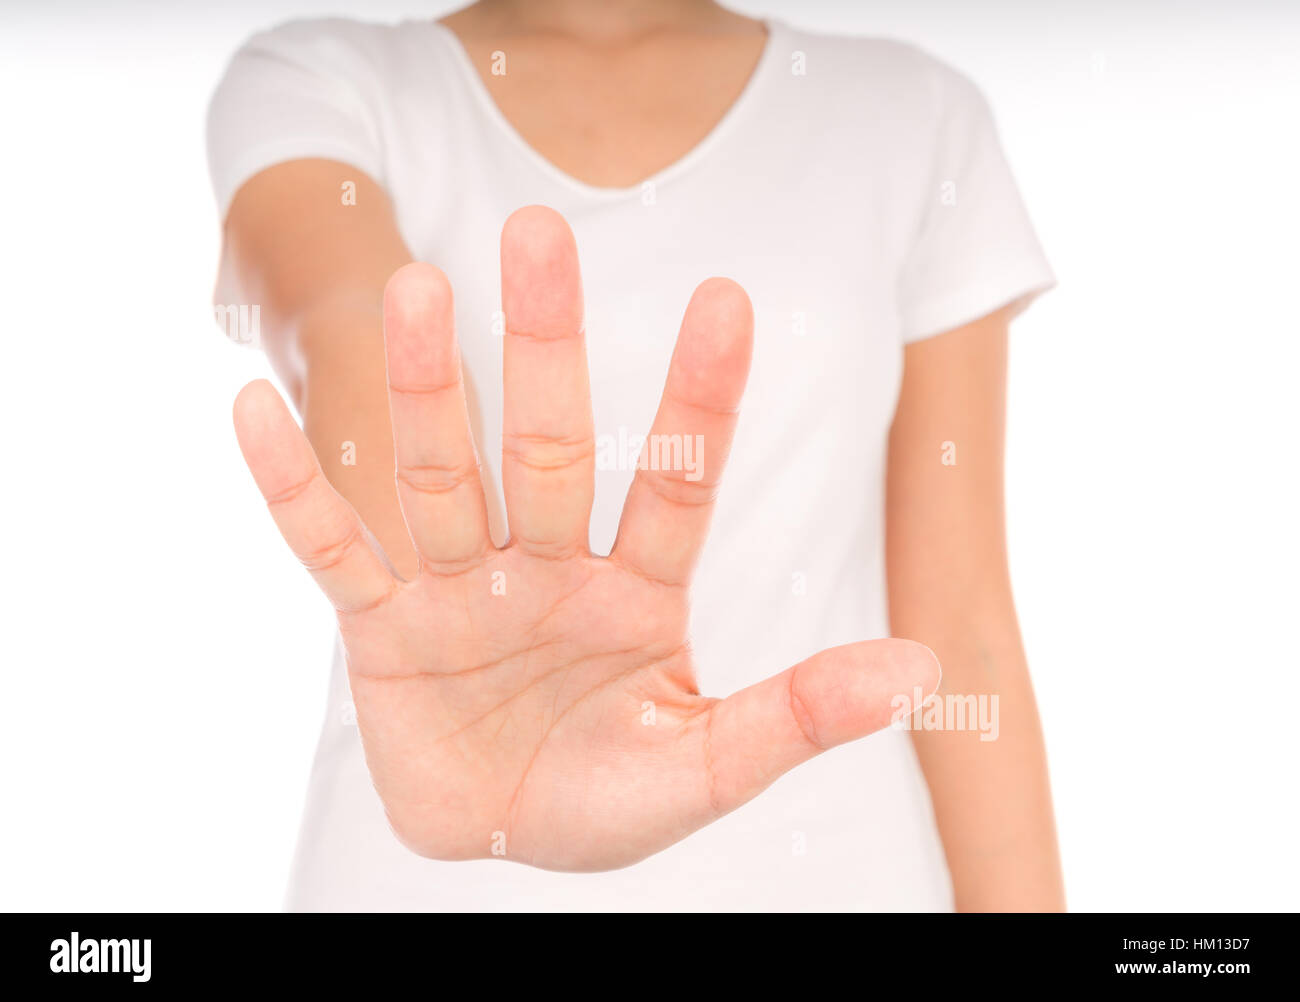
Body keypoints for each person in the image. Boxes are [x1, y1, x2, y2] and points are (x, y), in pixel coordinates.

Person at [208, 0, 1065, 911]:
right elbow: (347, 330)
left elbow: (962, 625)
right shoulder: (320, 77)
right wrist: (473, 629)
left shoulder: (915, 114)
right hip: (429, 869)